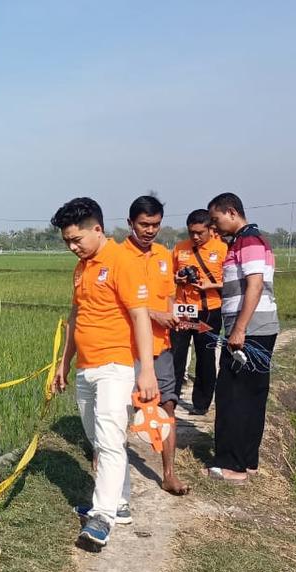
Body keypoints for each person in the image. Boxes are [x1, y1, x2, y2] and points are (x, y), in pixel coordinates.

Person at [51, 197, 159, 548]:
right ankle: (120, 503)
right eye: (67, 241)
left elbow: (141, 316)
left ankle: (102, 517)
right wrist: (63, 363)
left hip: (116, 366)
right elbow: (76, 316)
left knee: (110, 441)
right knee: (99, 439)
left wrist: (147, 372)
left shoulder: (121, 262)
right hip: (86, 368)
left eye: (77, 239)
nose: (72, 246)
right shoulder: (82, 267)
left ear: (97, 229)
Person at [207, 192, 280, 483]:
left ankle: (232, 467)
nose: (214, 227)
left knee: (232, 395)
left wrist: (239, 329)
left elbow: (255, 285)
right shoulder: (252, 239)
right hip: (261, 328)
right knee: (252, 396)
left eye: (216, 219)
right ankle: (248, 461)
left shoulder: (248, 241)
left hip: (250, 332)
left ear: (231, 212)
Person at [121, 195, 189, 495]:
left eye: (156, 225)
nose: (150, 230)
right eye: (144, 224)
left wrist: (173, 316)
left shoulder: (164, 255)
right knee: (119, 409)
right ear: (131, 223)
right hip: (125, 346)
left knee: (168, 405)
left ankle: (169, 474)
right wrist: (155, 314)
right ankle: (105, 461)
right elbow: (121, 304)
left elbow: (170, 297)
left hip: (161, 345)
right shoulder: (117, 257)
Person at [170, 209, 226, 415]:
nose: (195, 237)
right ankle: (170, 400)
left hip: (209, 310)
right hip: (182, 310)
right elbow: (168, 276)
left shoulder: (222, 249)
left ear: (210, 229)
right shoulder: (180, 248)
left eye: (200, 233)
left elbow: (233, 283)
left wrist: (210, 285)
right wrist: (177, 279)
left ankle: (201, 403)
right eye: (191, 232)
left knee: (205, 357)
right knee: (176, 355)